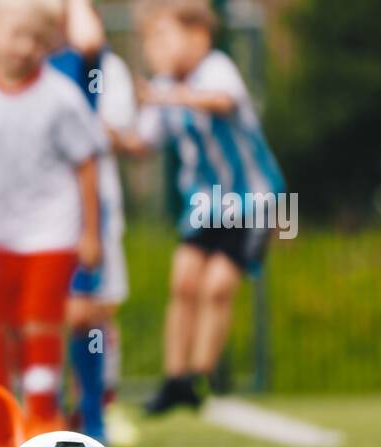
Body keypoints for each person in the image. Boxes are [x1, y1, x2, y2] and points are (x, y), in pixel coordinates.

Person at [0, 0, 108, 442]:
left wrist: (91, 232)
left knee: (40, 321)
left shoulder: (61, 97)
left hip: (52, 229)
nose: (25, 47)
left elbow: (87, 165)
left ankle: (41, 417)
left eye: (37, 39)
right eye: (17, 35)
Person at [115, 0, 285, 414]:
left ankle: (202, 373)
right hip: (204, 205)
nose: (154, 49)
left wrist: (161, 95)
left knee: (218, 286)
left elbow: (221, 102)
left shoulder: (215, 68)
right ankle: (176, 380)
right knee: (184, 282)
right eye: (149, 40)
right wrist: (102, 133)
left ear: (198, 36)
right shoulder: (165, 88)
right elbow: (141, 145)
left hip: (255, 201)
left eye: (162, 37)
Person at [47, 0, 141, 445]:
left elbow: (114, 132)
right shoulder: (32, 63)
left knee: (94, 312)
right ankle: (48, 410)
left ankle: (97, 406)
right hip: (33, 210)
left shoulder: (99, 67)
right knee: (43, 315)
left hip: (90, 207)